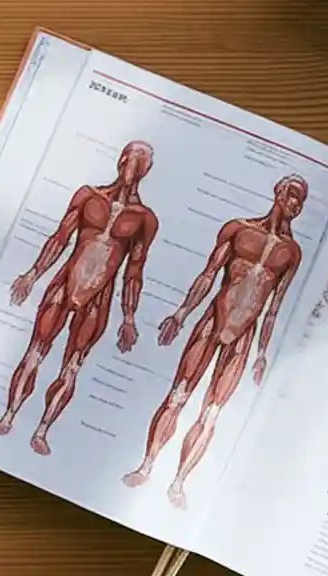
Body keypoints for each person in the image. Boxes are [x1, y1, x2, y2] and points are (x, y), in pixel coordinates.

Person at [122, 174, 308, 508]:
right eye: (292, 195)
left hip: (244, 335)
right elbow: (208, 275)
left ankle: (178, 483)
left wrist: (262, 353)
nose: (295, 205)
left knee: (211, 412)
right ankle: (147, 466)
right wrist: (181, 314)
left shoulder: (291, 252)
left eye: (301, 200)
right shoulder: (238, 229)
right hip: (212, 321)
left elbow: (273, 307)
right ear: (278, 192)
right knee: (178, 395)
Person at [0, 141, 160, 456]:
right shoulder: (88, 196)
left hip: (99, 297)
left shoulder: (145, 218)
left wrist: (129, 318)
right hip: (65, 283)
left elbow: (134, 270)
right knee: (35, 352)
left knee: (72, 366)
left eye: (140, 162)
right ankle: (9, 416)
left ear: (147, 170)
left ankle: (41, 431)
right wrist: (32, 274)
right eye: (130, 158)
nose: (132, 166)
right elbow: (60, 238)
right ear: (120, 160)